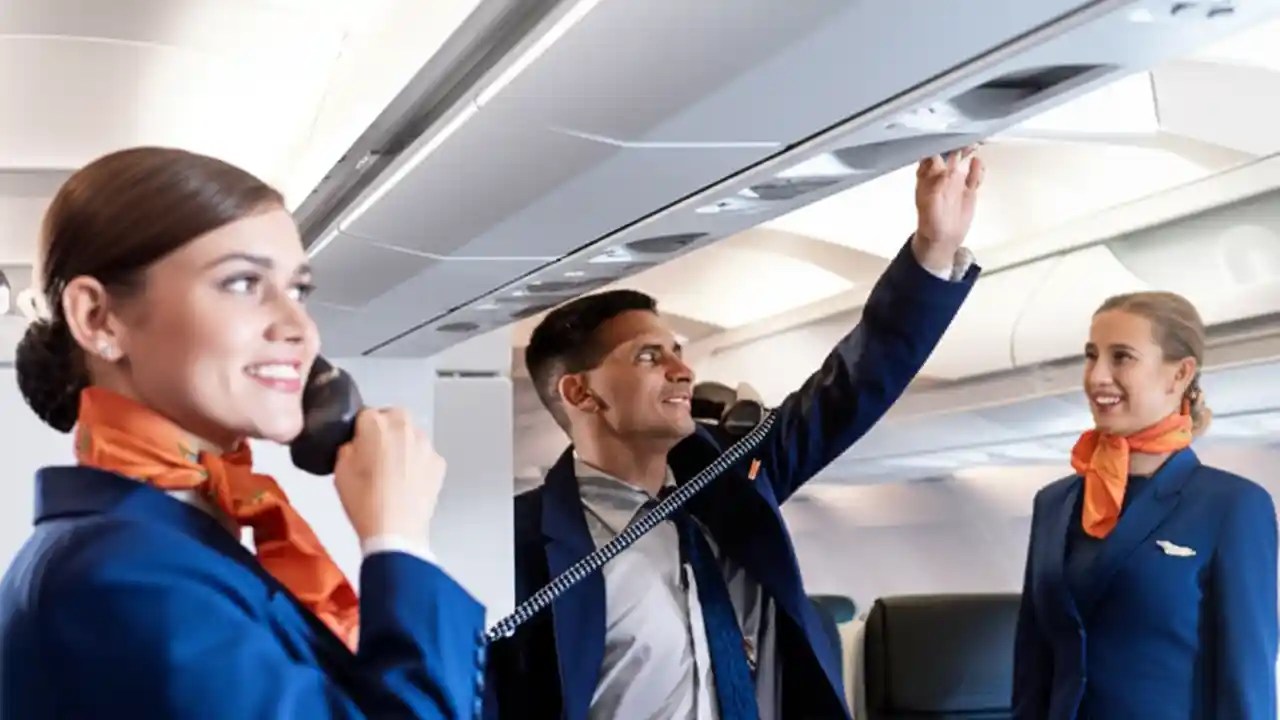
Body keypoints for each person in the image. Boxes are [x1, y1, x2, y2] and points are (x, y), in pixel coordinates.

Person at [485, 148, 987, 720]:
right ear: (581, 394)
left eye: (679, 351)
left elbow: (851, 386)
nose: (682, 371)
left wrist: (934, 248)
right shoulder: (516, 546)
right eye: (650, 357)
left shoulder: (734, 476)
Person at [0, 147, 485, 719]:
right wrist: (398, 541)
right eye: (241, 282)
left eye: (298, 290)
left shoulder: (171, 543)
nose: (300, 328)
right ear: (99, 319)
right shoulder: (121, 576)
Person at [1012, 291, 1278, 720]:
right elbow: (1033, 665)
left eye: (1122, 357)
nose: (1097, 375)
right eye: (1091, 355)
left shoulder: (1232, 507)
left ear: (1180, 374)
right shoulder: (1054, 504)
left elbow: (1245, 681)